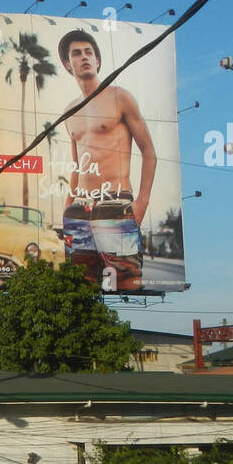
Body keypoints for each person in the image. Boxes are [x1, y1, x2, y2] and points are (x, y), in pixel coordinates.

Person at [58, 28, 157, 291]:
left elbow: (148, 151)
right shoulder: (69, 110)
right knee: (80, 285)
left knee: (127, 279)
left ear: (98, 61)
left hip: (115, 202)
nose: (84, 57)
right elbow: (77, 164)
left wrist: (142, 201)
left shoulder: (119, 97)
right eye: (77, 53)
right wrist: (68, 205)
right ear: (68, 65)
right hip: (79, 209)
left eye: (89, 52)